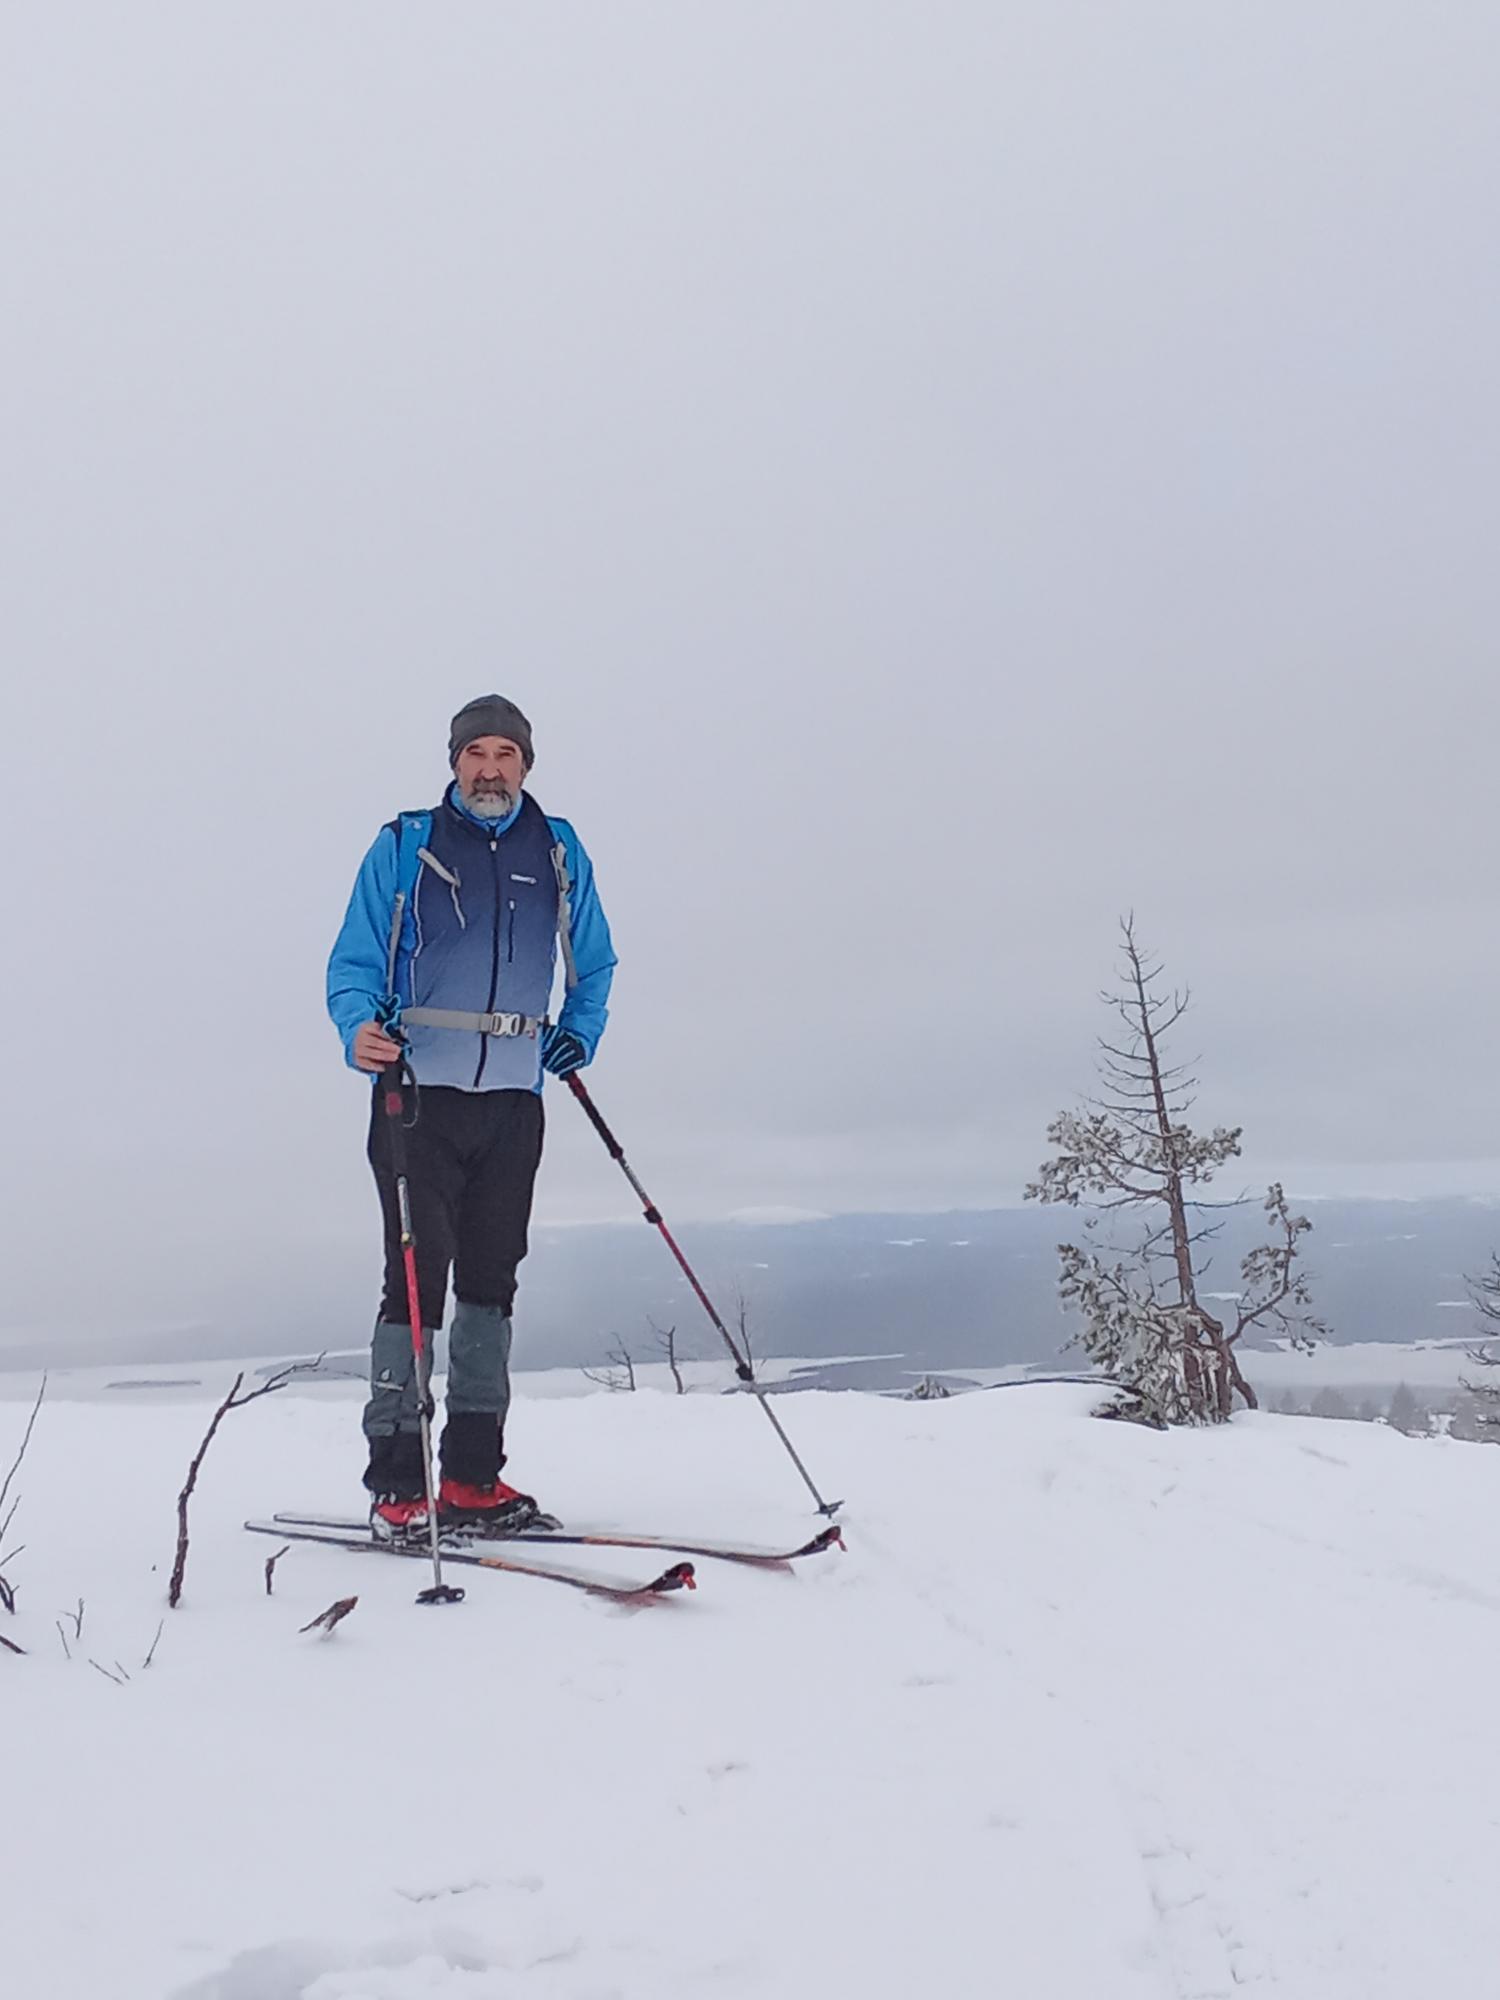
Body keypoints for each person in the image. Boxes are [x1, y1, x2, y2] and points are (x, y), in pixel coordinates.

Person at [327, 694, 615, 1538]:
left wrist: (579, 1033)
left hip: (514, 1102)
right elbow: (353, 957)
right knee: (416, 1282)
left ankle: (471, 1481)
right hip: (417, 1095)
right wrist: (358, 1028)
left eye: (506, 754)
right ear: (454, 760)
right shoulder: (406, 844)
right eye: (475, 753)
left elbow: (592, 961)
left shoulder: (556, 849)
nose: (490, 769)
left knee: (492, 1282)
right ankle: (397, 1487)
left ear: (527, 763)